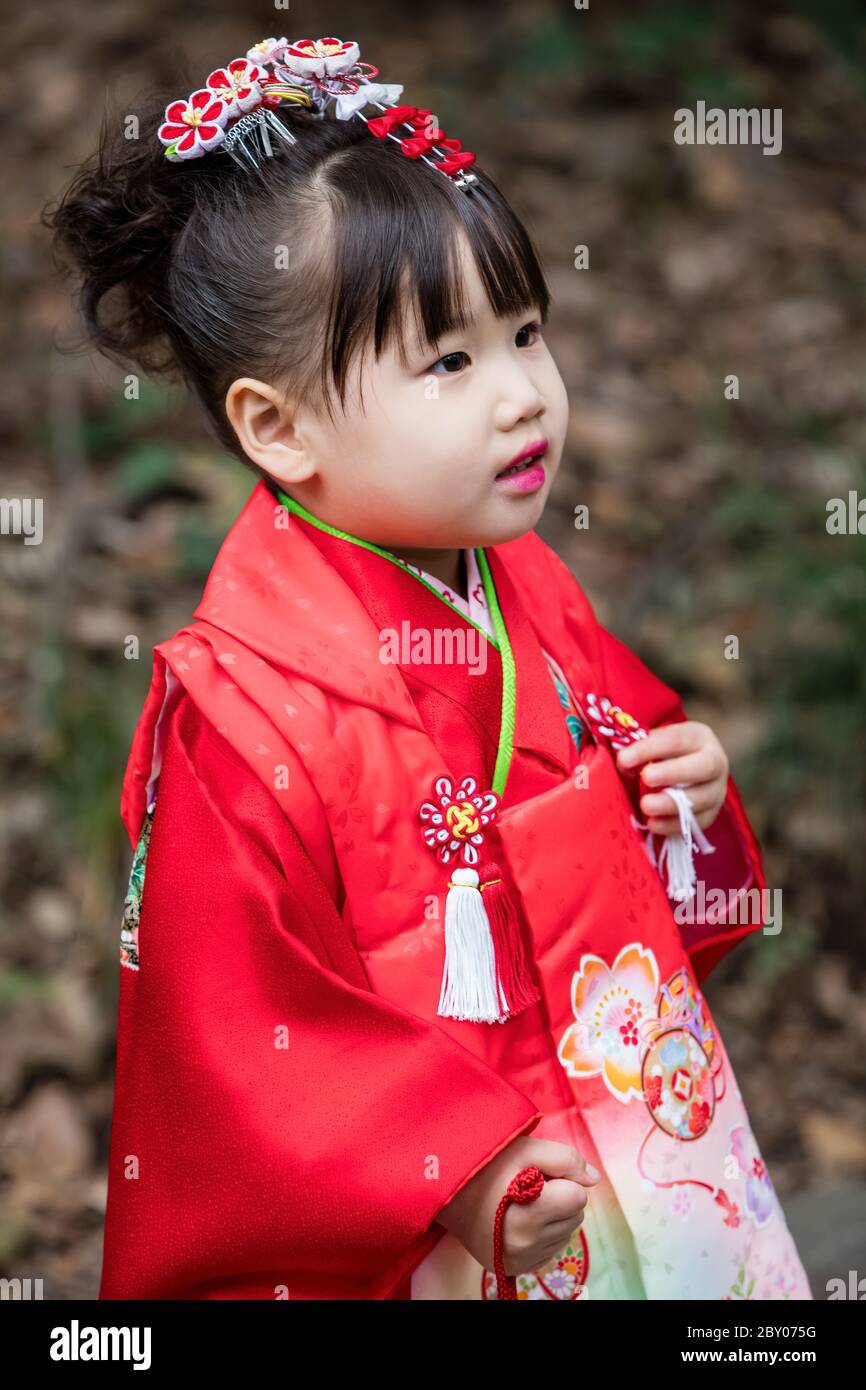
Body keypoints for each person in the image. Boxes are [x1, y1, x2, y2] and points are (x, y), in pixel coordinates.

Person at [46, 34, 812, 1301]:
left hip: (619, 1144)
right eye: (449, 361)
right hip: (454, 1226)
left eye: (523, 333)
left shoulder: (525, 592)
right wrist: (454, 1172)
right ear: (274, 427)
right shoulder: (240, 718)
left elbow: (642, 871)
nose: (523, 395)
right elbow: (242, 1041)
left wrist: (680, 797)